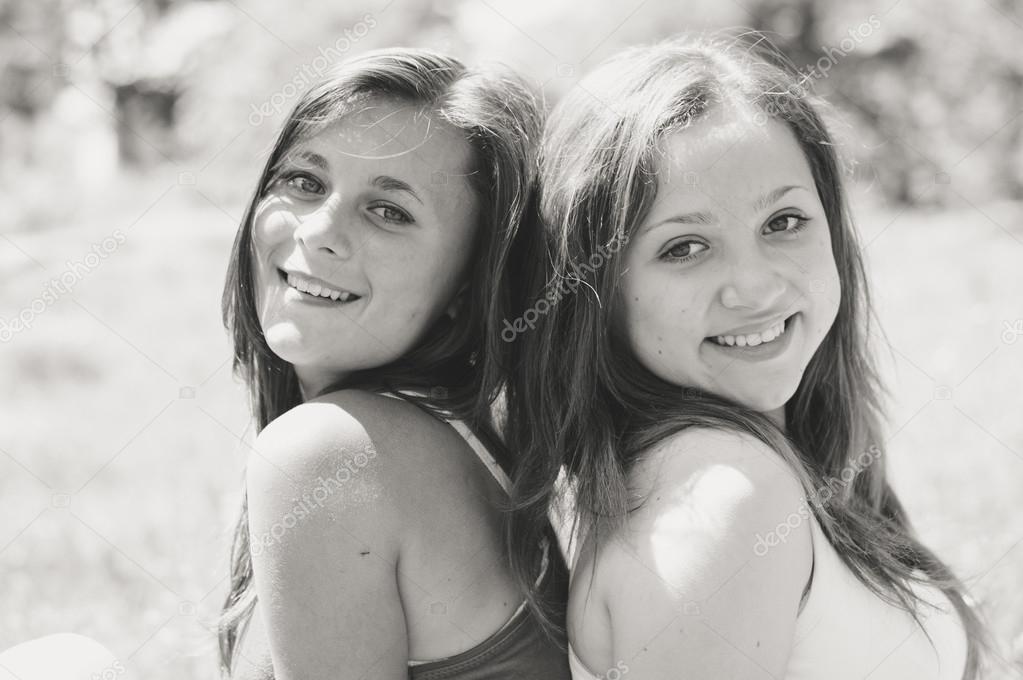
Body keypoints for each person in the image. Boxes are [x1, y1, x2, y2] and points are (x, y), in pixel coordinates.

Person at [504, 32, 986, 679]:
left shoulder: (758, 466)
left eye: (782, 223)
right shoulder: (724, 501)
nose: (754, 286)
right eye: (683, 247)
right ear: (595, 293)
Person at [218, 47, 569, 679]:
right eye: (305, 181)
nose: (320, 229)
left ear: (470, 284)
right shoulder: (458, 433)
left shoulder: (325, 453)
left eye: (389, 212)